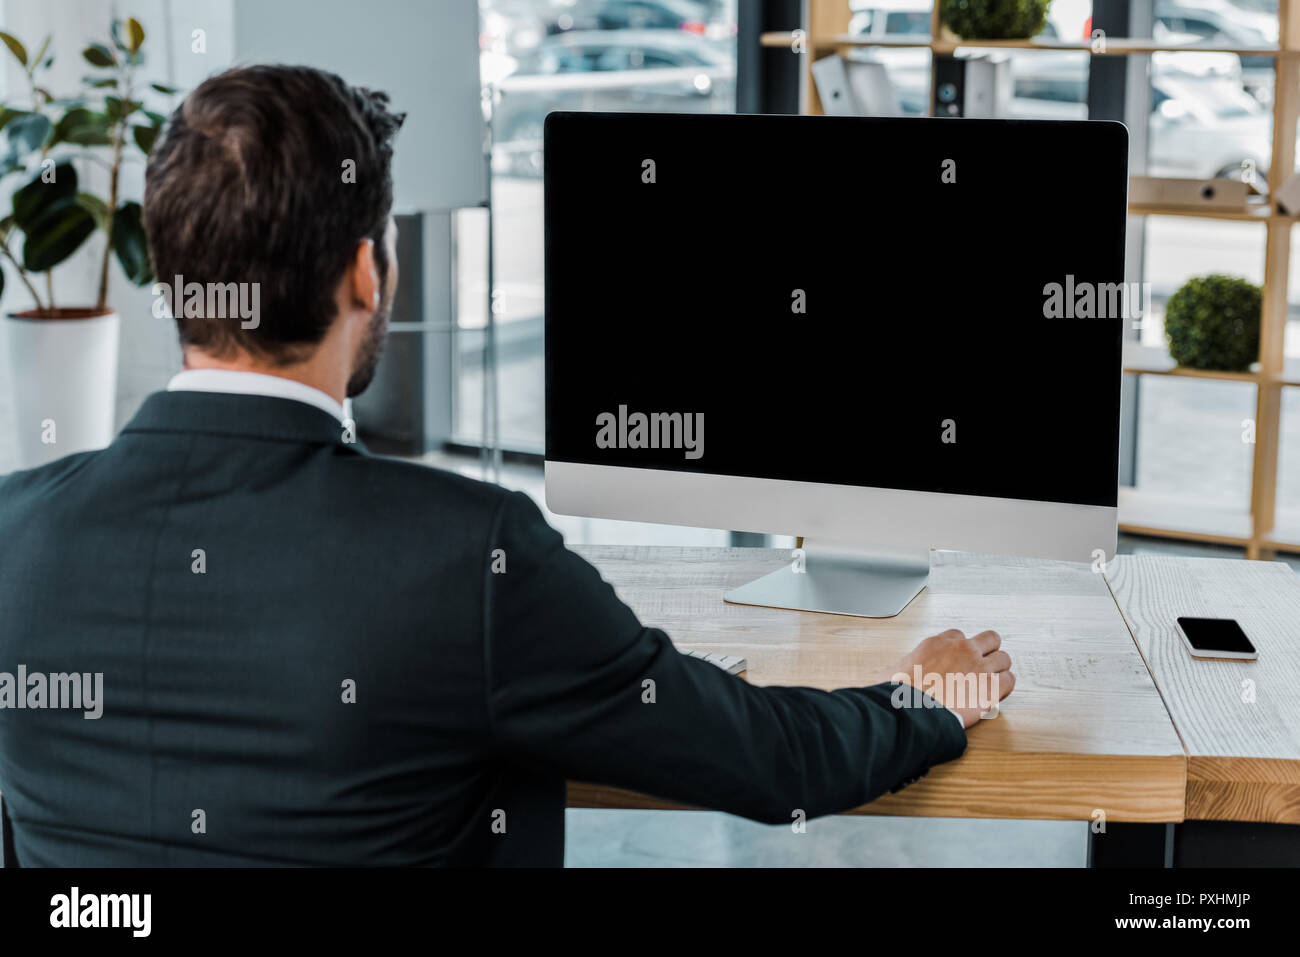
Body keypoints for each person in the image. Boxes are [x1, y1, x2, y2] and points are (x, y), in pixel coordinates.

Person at [0, 65, 1013, 867]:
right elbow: (762, 758)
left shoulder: (13, 529)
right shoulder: (464, 554)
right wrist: (919, 702)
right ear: (366, 270)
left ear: (169, 274)